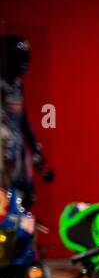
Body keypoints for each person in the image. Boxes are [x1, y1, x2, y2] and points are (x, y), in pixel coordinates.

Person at [0, 35, 51, 206]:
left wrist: (35, 147)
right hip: (3, 150)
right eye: (19, 59)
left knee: (24, 197)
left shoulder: (17, 85)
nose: (25, 64)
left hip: (17, 149)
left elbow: (23, 119)